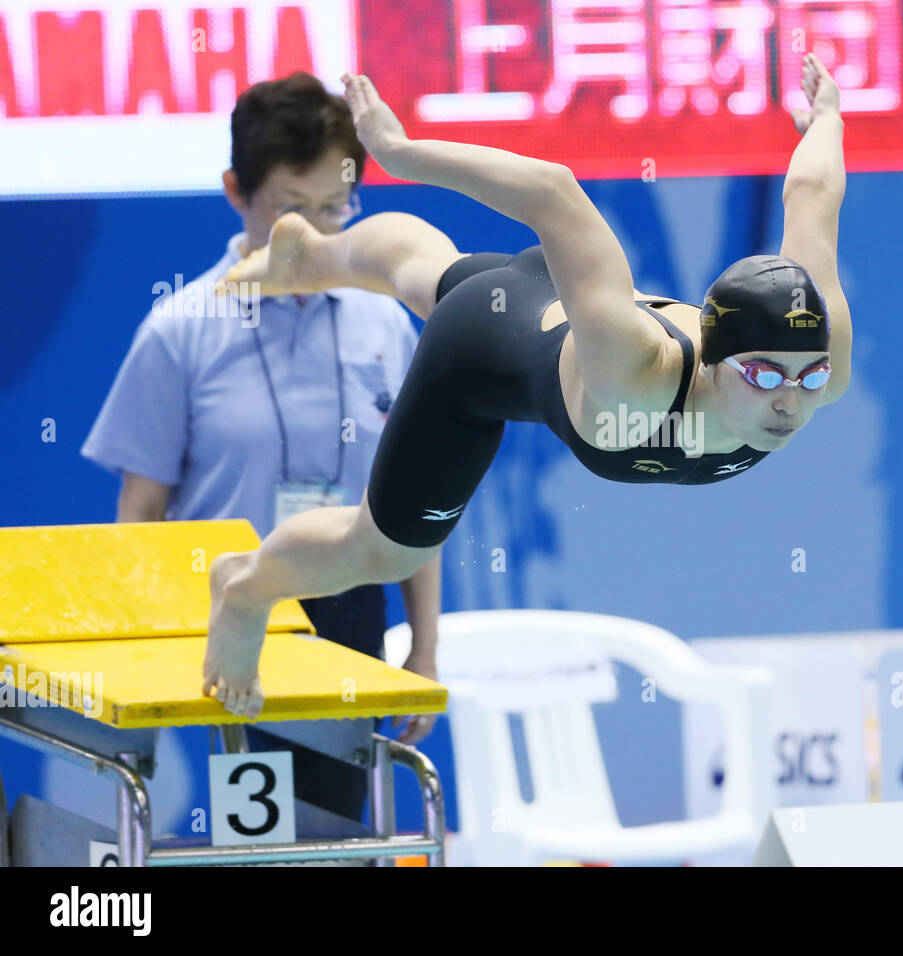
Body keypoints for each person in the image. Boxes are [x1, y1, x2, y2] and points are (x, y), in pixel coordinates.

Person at [203, 53, 851, 720]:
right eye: (765, 375)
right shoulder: (638, 373)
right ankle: (245, 588)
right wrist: (400, 152)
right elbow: (552, 192)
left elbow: (812, 198)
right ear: (714, 361)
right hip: (484, 356)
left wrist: (826, 119)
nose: (790, 401)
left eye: (810, 377)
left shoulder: (813, 348)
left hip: (551, 311)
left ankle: (313, 257)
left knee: (427, 270)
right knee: (383, 551)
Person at [81, 72, 441, 821]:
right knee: (251, 839)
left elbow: (414, 501)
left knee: (341, 833)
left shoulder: (384, 324)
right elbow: (138, 511)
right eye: (287, 212)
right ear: (236, 192)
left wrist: (425, 649)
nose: (311, 236)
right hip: (225, 619)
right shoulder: (180, 332)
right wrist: (130, 658)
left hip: (349, 613)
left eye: (333, 209)